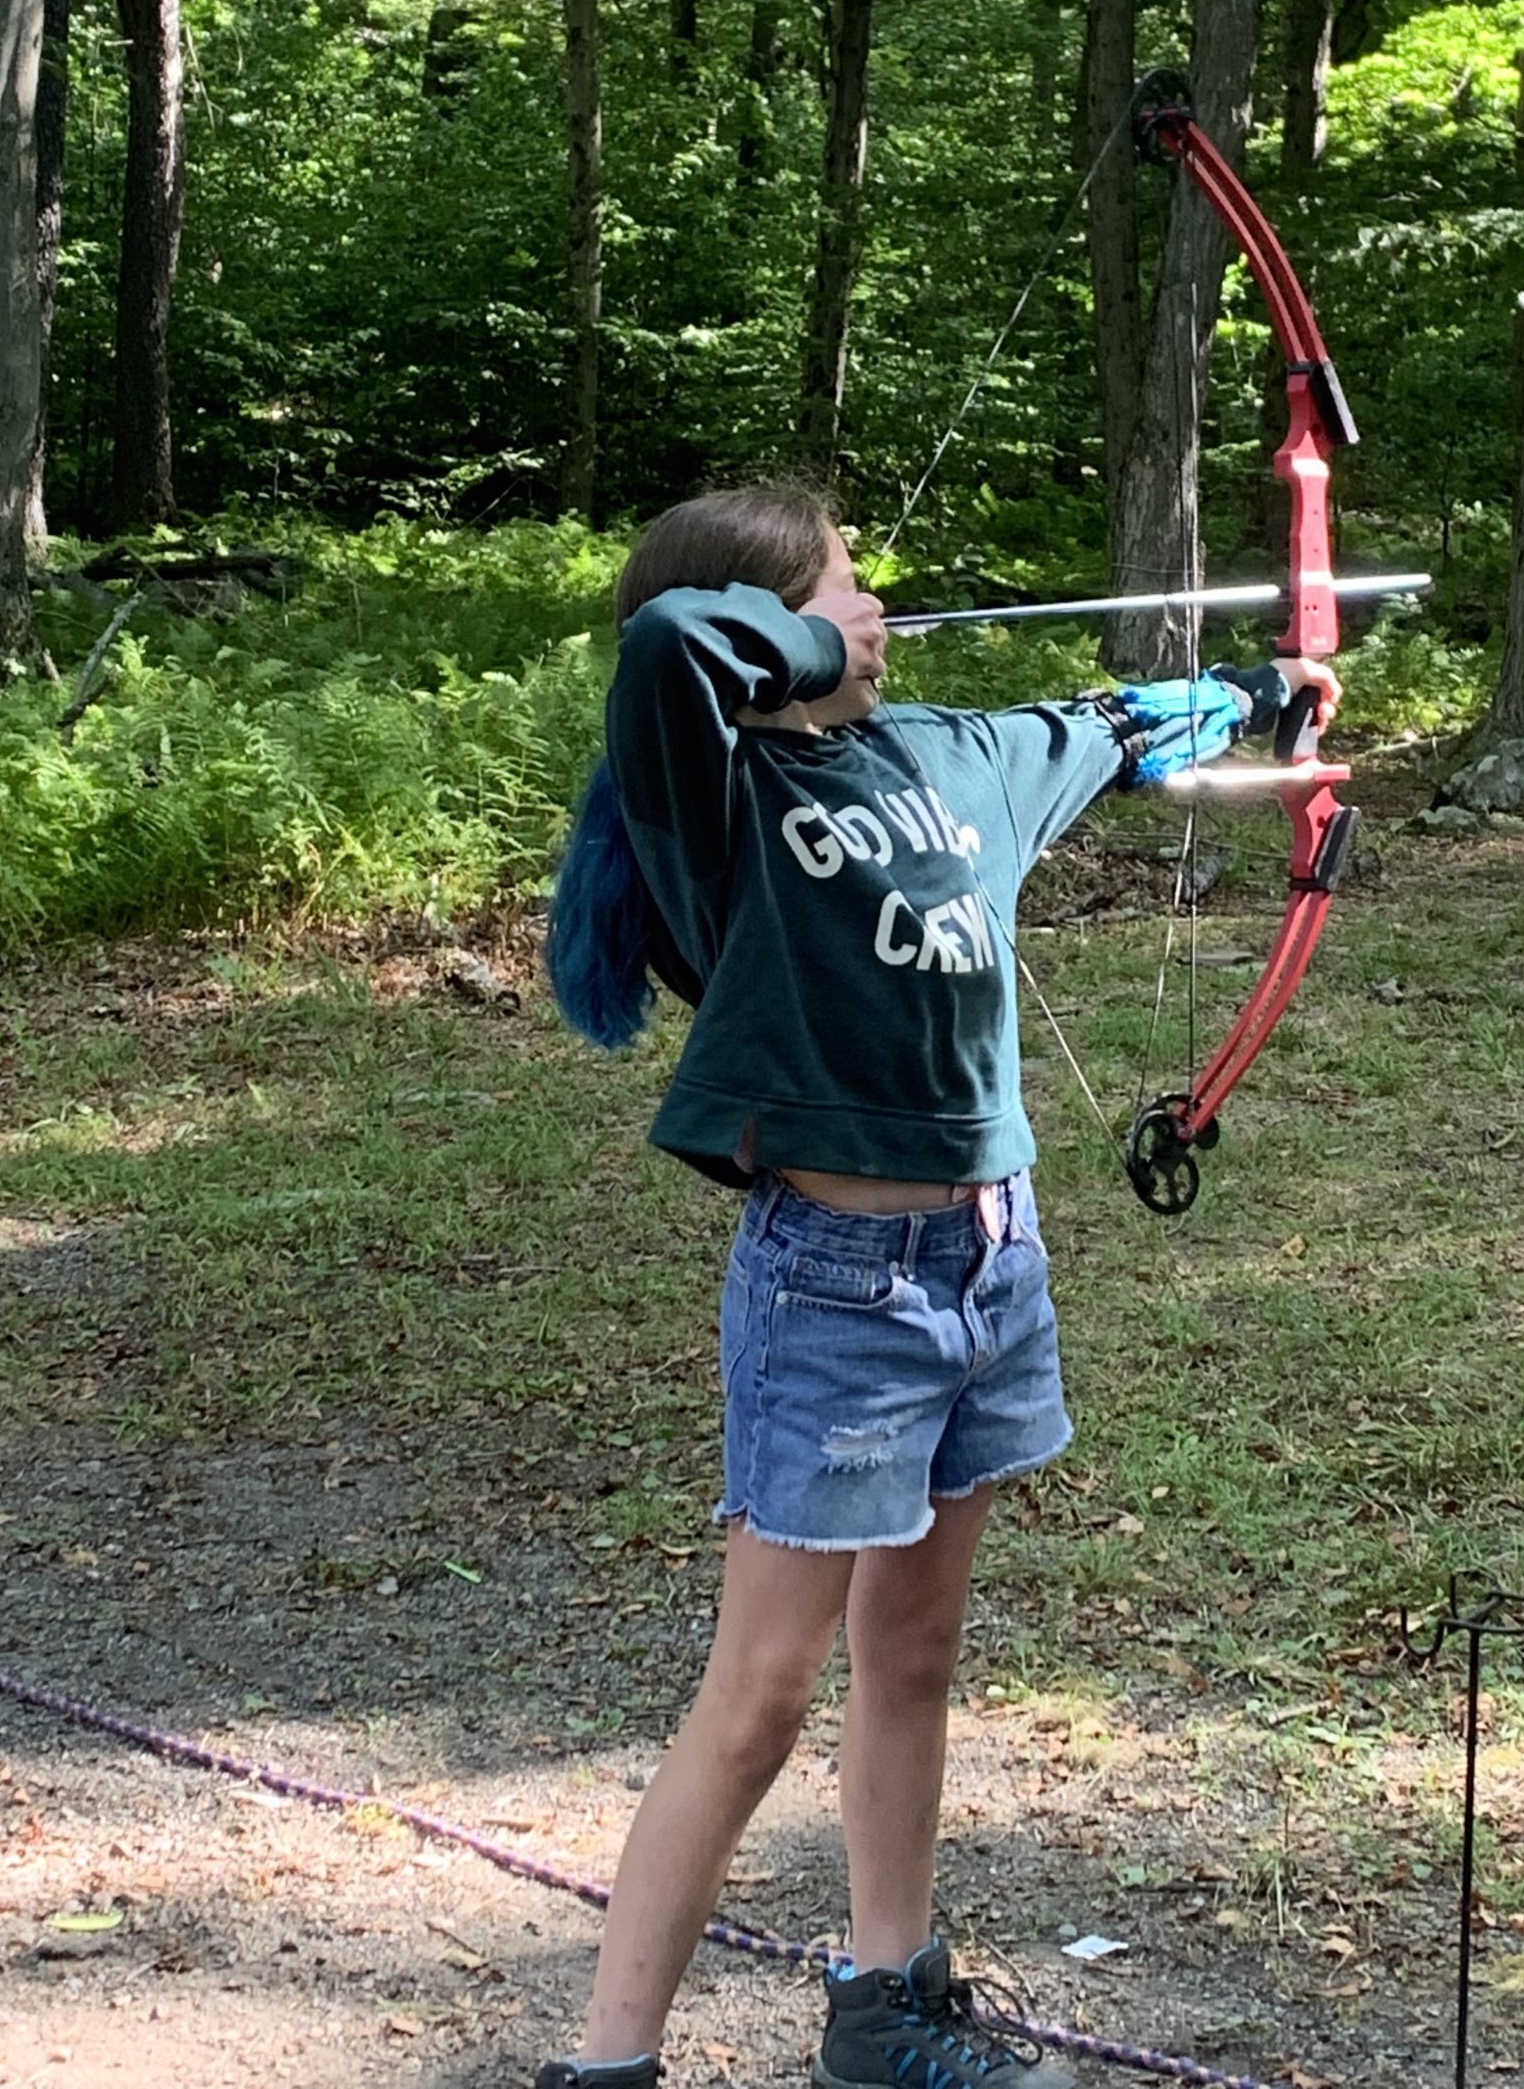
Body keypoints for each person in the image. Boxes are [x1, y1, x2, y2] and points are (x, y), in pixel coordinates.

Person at [534, 483, 1341, 2089]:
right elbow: (667, 647)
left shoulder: (960, 758)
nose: (878, 612)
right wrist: (802, 642)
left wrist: (1265, 698)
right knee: (761, 1694)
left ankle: (885, 2005)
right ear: (783, 615)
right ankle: (610, 2065)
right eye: (847, 588)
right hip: (836, 1290)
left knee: (912, 1656)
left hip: (991, 1263)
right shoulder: (721, 788)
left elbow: (1107, 728)